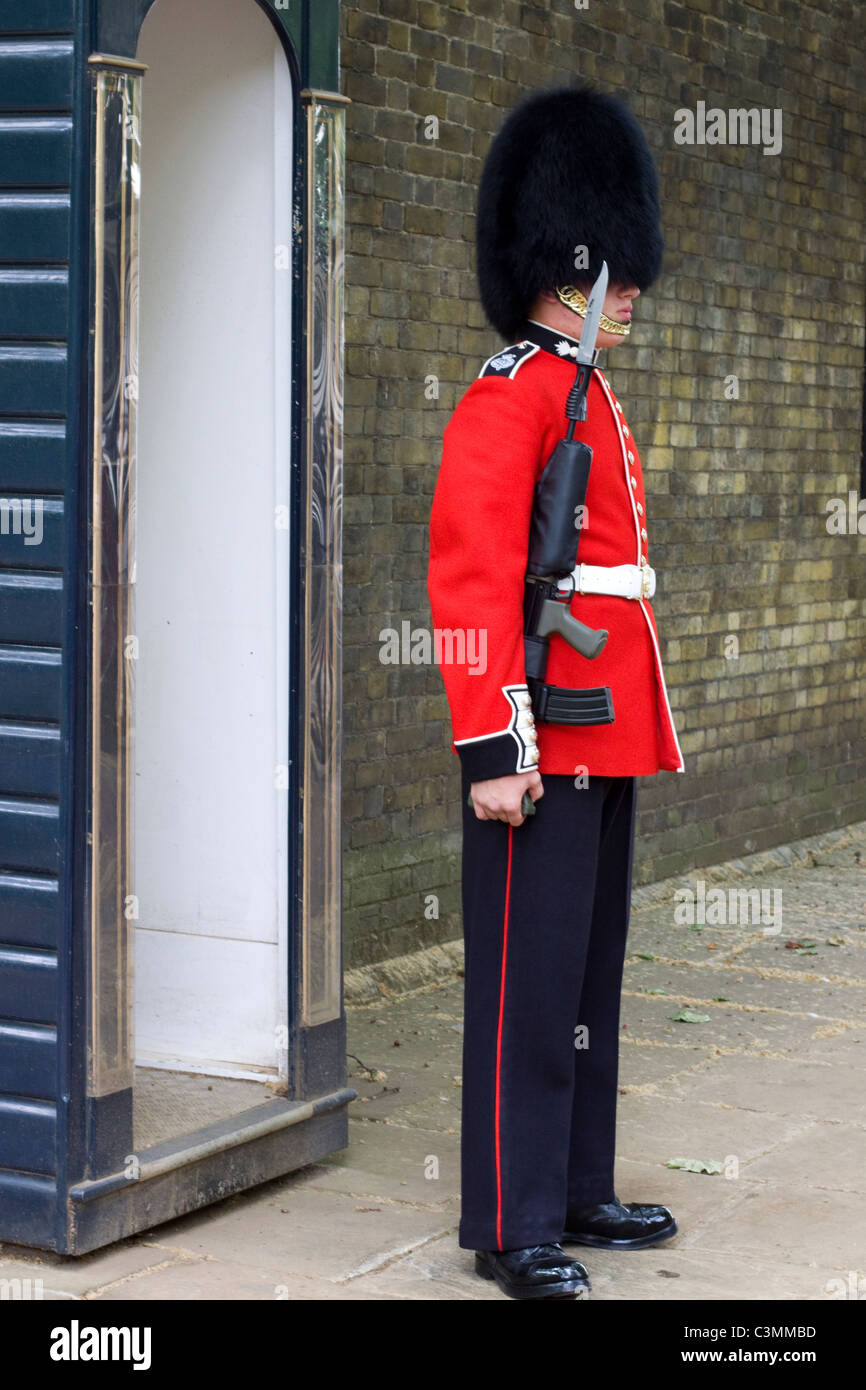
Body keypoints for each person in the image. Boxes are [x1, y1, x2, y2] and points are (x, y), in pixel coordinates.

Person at [427, 86, 685, 1301]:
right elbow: (471, 577)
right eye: (616, 270)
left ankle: (577, 1182)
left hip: (605, 732)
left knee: (584, 974)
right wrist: (491, 745)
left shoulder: (584, 389)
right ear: (568, 262)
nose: (631, 290)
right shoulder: (510, 392)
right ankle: (509, 1218)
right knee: (526, 986)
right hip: (537, 741)